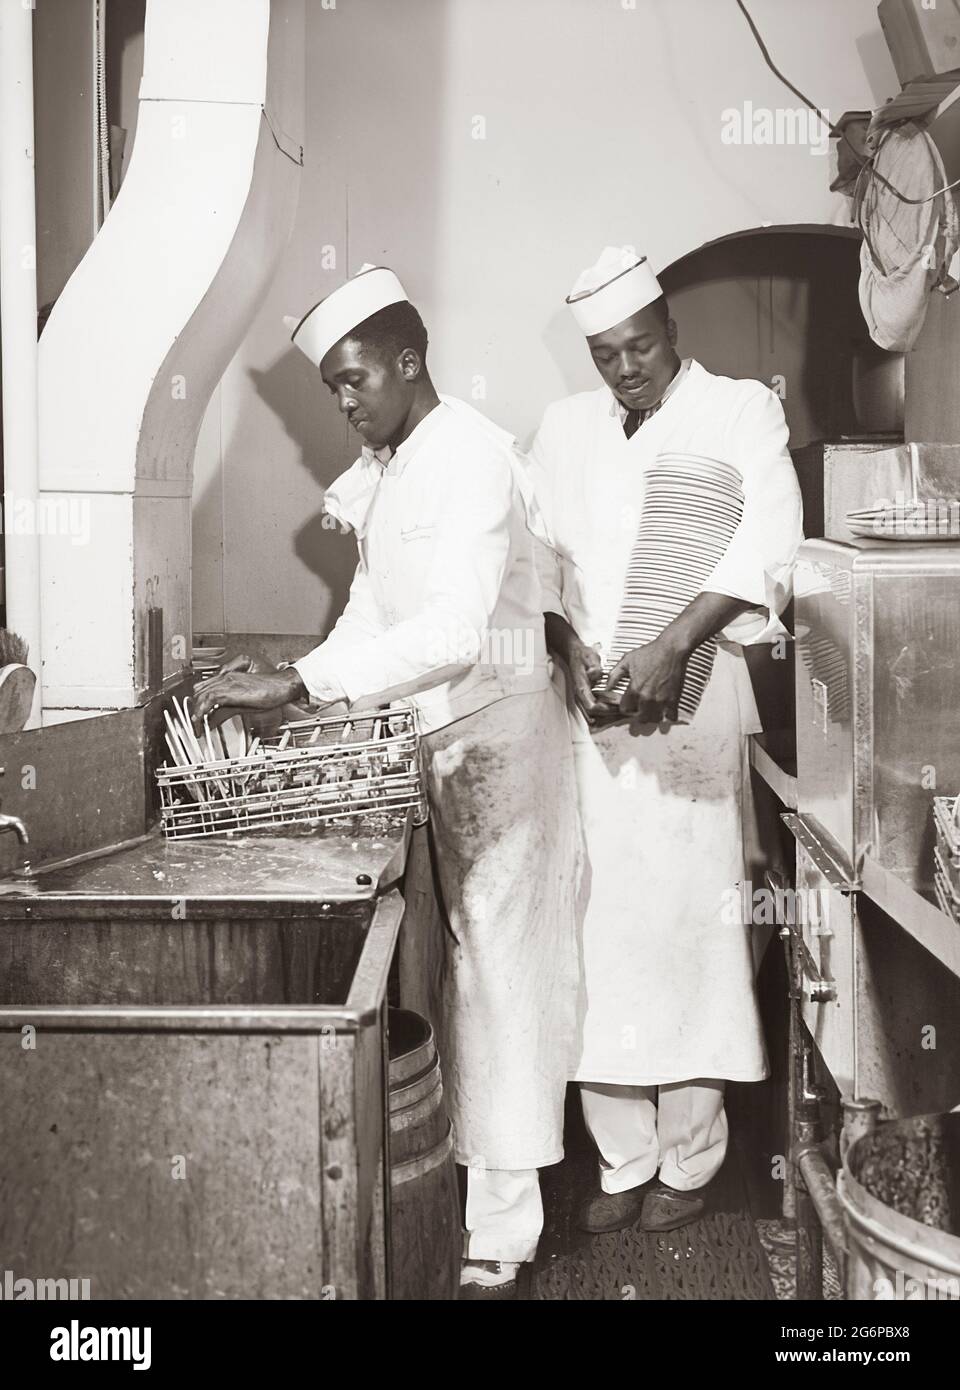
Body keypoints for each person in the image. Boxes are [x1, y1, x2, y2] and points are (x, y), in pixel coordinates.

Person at [193, 265, 580, 1298]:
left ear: (409, 361)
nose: (346, 401)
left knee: (503, 970)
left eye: (354, 377)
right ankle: (476, 1185)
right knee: (466, 964)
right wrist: (294, 690)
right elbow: (374, 610)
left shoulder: (474, 458)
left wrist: (304, 679)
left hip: (503, 740)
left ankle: (509, 1220)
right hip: (447, 742)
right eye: (332, 387)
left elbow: (456, 628)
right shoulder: (394, 467)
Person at [527, 245, 802, 1234]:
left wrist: (668, 644)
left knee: (690, 930)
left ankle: (691, 1155)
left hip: (690, 709)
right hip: (594, 724)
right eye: (605, 353)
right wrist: (571, 652)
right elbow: (538, 560)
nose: (625, 366)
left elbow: (769, 546)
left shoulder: (738, 410)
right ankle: (621, 1156)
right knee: (597, 929)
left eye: (639, 344)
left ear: (669, 328)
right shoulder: (562, 430)